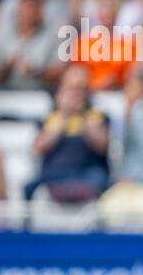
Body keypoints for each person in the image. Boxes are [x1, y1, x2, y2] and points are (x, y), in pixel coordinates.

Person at [26, 67, 111, 202]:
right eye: (72, 88)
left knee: (99, 180)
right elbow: (38, 148)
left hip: (87, 172)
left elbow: (103, 146)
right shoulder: (51, 117)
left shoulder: (97, 116)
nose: (76, 94)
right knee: (29, 188)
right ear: (62, 90)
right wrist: (64, 115)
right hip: (54, 173)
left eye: (81, 88)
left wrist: (82, 114)